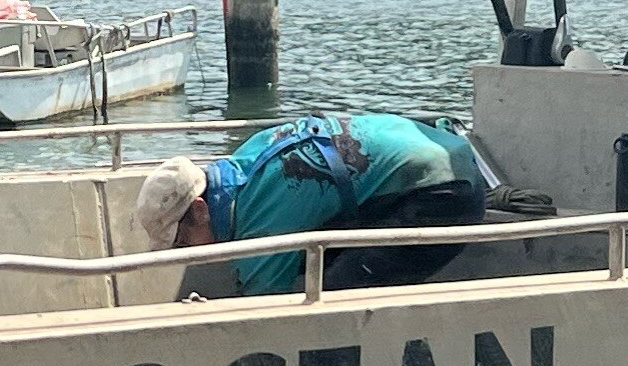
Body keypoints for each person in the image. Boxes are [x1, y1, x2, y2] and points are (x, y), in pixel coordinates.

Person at [132, 113, 491, 297]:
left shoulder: (262, 224)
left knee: (334, 295)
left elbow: (258, 315)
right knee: (315, 258)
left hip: (445, 191)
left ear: (200, 210)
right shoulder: (245, 160)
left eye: (183, 242)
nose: (187, 254)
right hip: (440, 155)